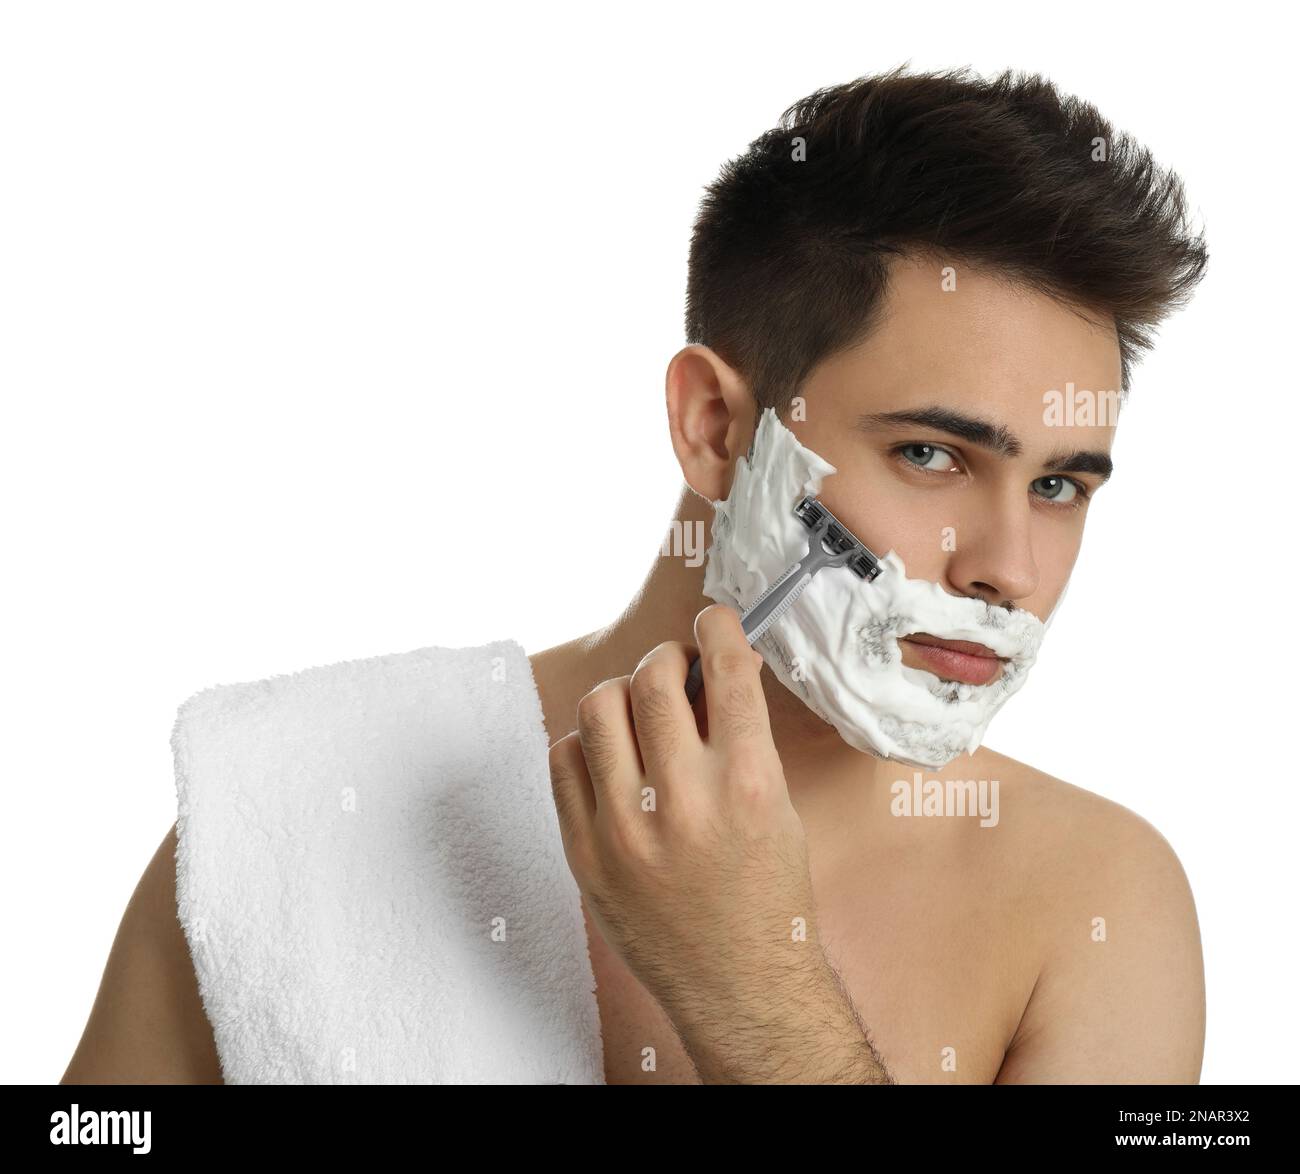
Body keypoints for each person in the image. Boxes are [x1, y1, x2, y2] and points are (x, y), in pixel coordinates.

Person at [62, 63, 1207, 1084]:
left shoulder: (1098, 907)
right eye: (930, 454)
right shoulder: (290, 806)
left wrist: (749, 984)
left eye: (1059, 485)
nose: (1007, 567)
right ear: (716, 428)